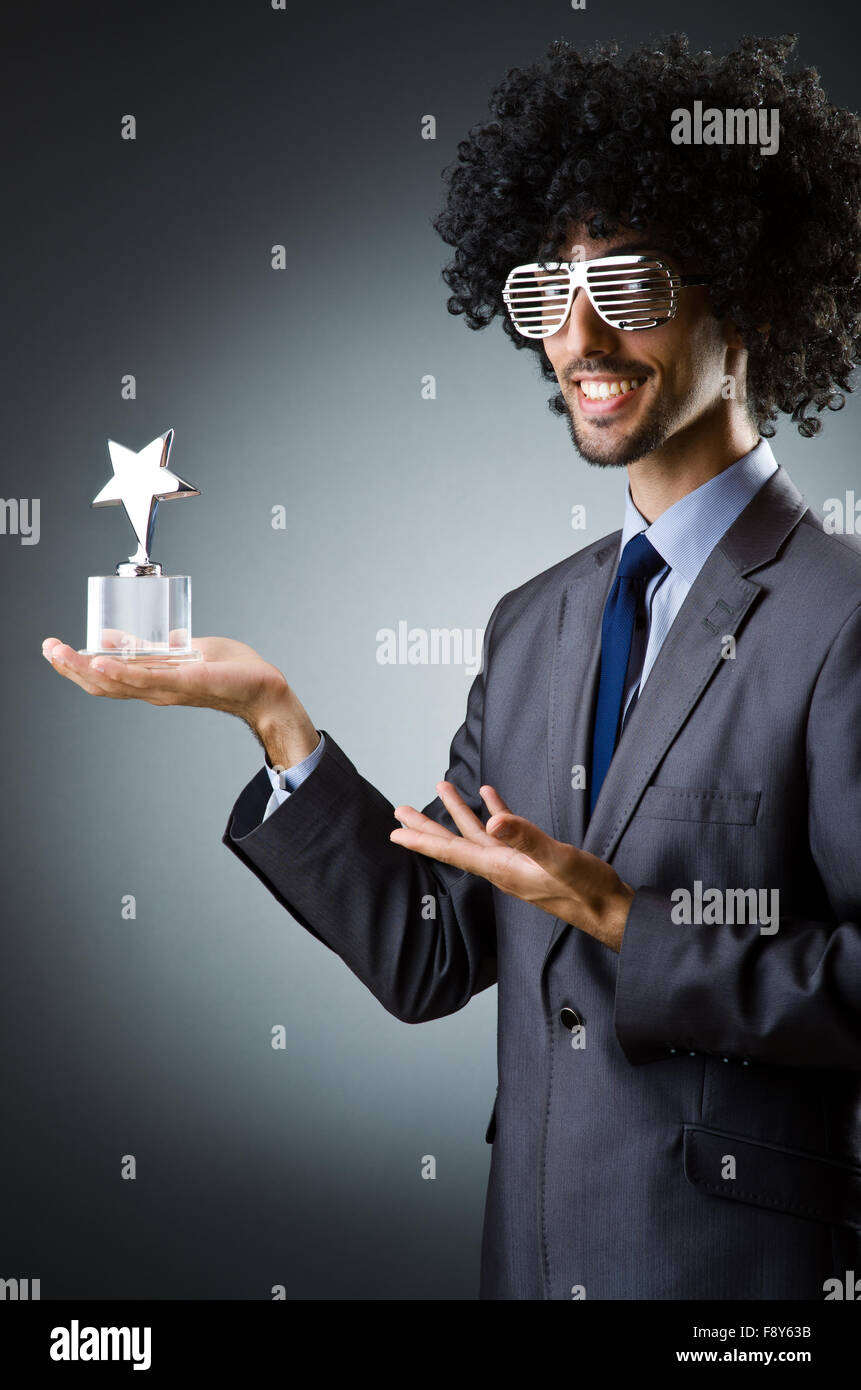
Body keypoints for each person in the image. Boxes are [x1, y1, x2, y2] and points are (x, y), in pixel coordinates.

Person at [43, 34, 861, 1300]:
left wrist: (627, 924)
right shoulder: (531, 625)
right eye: (547, 295)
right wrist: (275, 722)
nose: (579, 337)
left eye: (630, 288)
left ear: (749, 298)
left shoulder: (843, 617)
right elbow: (435, 950)